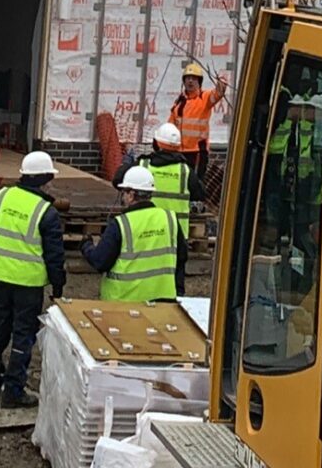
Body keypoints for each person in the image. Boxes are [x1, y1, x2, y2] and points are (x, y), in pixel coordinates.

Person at [0, 150, 65, 408]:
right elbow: (54, 256)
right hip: (28, 286)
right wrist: (58, 286)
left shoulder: (0, 196)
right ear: (43, 178)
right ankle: (13, 392)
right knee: (23, 336)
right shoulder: (46, 212)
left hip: (0, 277)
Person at [86, 164, 180, 304]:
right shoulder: (169, 219)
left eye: (123, 192)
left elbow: (100, 261)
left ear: (131, 194)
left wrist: (86, 246)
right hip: (162, 300)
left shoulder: (121, 224)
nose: (122, 197)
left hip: (124, 302)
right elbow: (182, 257)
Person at [142, 122, 197, 286]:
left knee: (145, 269)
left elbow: (118, 179)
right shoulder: (185, 171)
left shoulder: (144, 166)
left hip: (147, 229)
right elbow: (200, 193)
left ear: (156, 143)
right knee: (176, 276)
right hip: (177, 233)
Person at [167, 60, 228, 177]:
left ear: (199, 82)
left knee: (195, 185)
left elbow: (218, 93)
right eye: (188, 78)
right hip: (179, 152)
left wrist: (222, 81)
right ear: (183, 81)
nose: (190, 81)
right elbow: (171, 125)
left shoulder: (204, 98)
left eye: (194, 78)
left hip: (197, 152)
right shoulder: (179, 102)